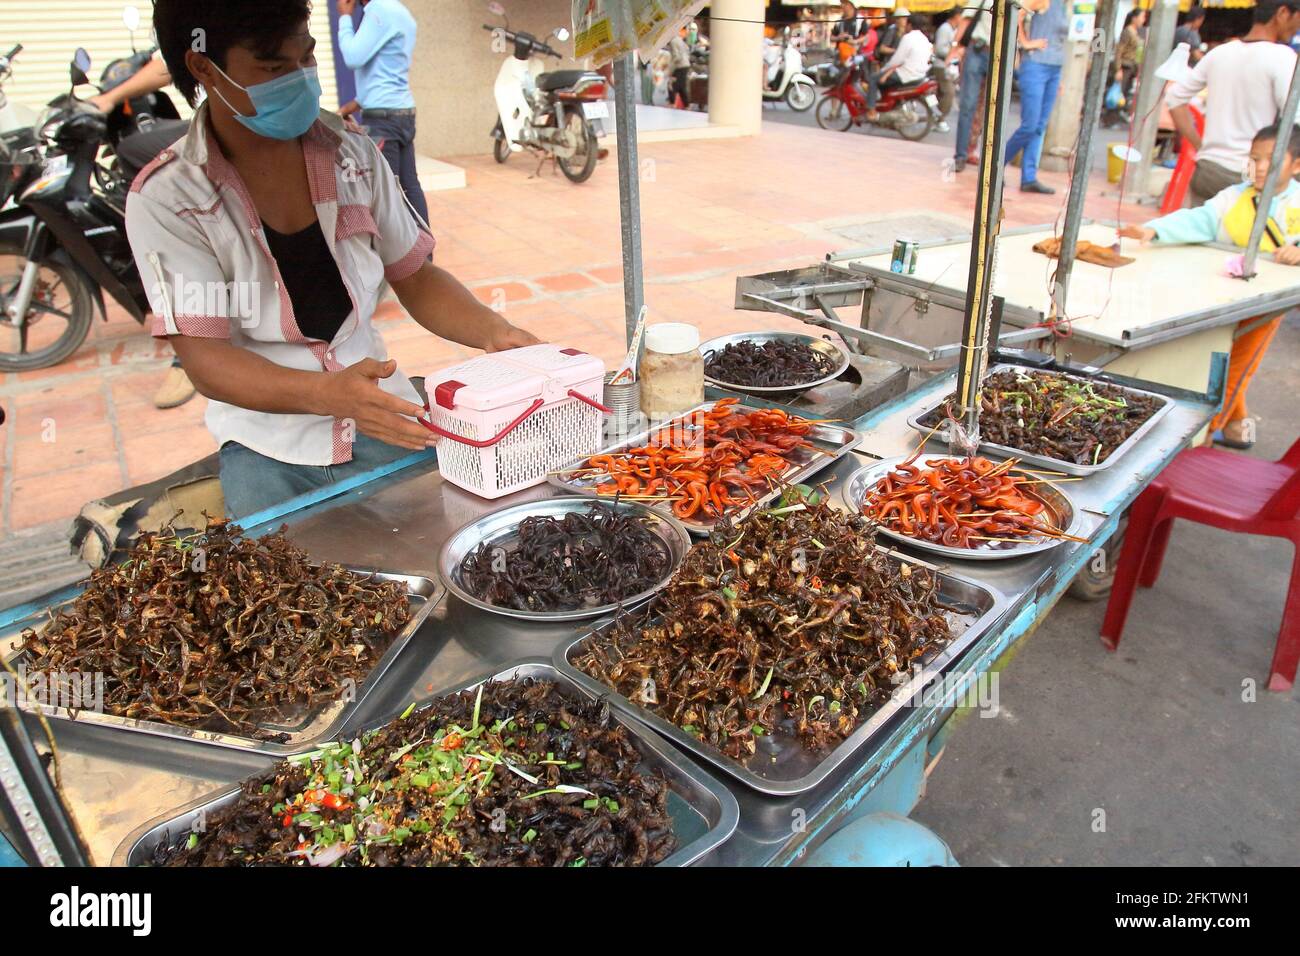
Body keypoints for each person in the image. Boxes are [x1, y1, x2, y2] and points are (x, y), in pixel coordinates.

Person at [126, 0, 540, 519]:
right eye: (275, 68)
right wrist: (330, 395)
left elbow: (415, 274)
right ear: (204, 67)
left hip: (386, 414)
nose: (299, 79)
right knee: (296, 587)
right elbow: (207, 362)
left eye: (306, 58)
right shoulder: (169, 198)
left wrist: (493, 331)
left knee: (459, 542)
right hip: (267, 444)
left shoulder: (353, 154)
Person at [1119, 123, 1300, 449]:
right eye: (1254, 158)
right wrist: (1154, 231)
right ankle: (1236, 429)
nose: (1259, 167)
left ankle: (1206, 437)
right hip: (1222, 300)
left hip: (1265, 306)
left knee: (1237, 368)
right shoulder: (1234, 197)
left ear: (1296, 165)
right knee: (1224, 362)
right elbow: (1197, 220)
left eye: (1270, 160)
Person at [86, 57, 198, 410]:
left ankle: (191, 354)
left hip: (231, 119)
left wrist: (106, 100)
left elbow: (166, 65)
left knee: (133, 150)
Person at [1167, 0, 1300, 207]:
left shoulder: (1220, 53)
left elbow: (1175, 97)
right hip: (1251, 175)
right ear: (1282, 13)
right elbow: (1296, 118)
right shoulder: (1283, 58)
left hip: (1208, 169)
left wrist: (1200, 146)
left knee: (1201, 235)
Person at [334, 0, 427, 227]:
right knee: (408, 186)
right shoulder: (400, 12)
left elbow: (353, 57)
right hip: (402, 113)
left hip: (384, 120)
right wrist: (350, 107)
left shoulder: (379, 10)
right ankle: (424, 255)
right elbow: (383, 74)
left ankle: (397, 259)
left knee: (385, 192)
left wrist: (345, 17)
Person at [1003, 0, 1064, 194]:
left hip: (1055, 69)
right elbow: (1015, 14)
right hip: (1035, 66)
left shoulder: (1065, 5)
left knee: (1039, 127)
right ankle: (995, 165)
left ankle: (1029, 178)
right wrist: (1026, 42)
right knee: (1029, 125)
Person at [865, 13, 932, 119]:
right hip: (920, 74)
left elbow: (896, 60)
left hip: (906, 74)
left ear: (909, 25)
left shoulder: (908, 38)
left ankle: (871, 111)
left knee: (873, 78)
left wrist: (883, 71)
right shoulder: (924, 39)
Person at [951, 0, 991, 173]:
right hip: (977, 51)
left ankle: (972, 150)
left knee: (988, 109)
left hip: (1000, 54)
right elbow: (966, 21)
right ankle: (960, 155)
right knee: (968, 104)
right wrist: (956, 48)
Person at [931, 7, 963, 129]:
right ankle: (939, 118)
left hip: (948, 66)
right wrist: (953, 53)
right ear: (956, 16)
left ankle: (937, 118)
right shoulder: (945, 29)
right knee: (949, 93)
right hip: (941, 65)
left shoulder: (952, 29)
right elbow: (940, 49)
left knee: (944, 93)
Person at [1114, 9, 1146, 118]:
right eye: (1142, 17)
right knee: (1119, 93)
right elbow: (1119, 51)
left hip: (1132, 66)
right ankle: (1111, 115)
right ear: (1134, 18)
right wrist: (1118, 69)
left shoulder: (1136, 32)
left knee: (1124, 93)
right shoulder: (1127, 32)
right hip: (1125, 66)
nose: (1143, 20)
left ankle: (1118, 115)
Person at [668, 27, 692, 106]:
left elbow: (676, 56)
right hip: (685, 64)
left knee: (672, 84)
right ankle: (686, 104)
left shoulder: (673, 41)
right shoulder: (679, 39)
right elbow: (687, 49)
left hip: (679, 65)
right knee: (681, 85)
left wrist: (671, 68)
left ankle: (672, 102)